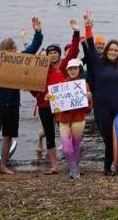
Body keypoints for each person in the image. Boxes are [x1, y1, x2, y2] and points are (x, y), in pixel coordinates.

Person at [0, 16, 44, 177]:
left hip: (13, 105)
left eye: (12, 50)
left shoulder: (19, 59)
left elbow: (35, 47)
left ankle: (3, 165)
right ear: (2, 51)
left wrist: (37, 31)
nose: (10, 52)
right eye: (6, 50)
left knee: (8, 135)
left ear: (15, 50)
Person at [31, 19, 81, 175]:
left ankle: (73, 164)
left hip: (63, 106)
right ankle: (54, 166)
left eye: (55, 53)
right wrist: (39, 95)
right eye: (50, 53)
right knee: (49, 135)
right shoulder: (41, 69)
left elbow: (73, 50)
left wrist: (76, 32)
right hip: (45, 106)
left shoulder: (65, 66)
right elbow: (33, 88)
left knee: (69, 135)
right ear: (47, 55)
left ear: (59, 54)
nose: (53, 55)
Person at [83, 11, 118, 175]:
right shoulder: (98, 64)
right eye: (110, 49)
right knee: (108, 138)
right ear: (106, 50)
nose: (112, 52)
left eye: (115, 51)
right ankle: (107, 166)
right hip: (101, 107)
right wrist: (87, 27)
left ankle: (115, 165)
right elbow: (90, 44)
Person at [51, 58, 92, 180]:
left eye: (75, 68)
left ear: (79, 70)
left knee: (76, 146)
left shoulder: (85, 85)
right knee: (67, 149)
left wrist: (89, 98)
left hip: (79, 120)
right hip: (64, 121)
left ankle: (75, 170)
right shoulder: (61, 85)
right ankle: (74, 171)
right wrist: (51, 98)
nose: (73, 71)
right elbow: (57, 107)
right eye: (70, 69)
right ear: (67, 70)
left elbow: (88, 109)